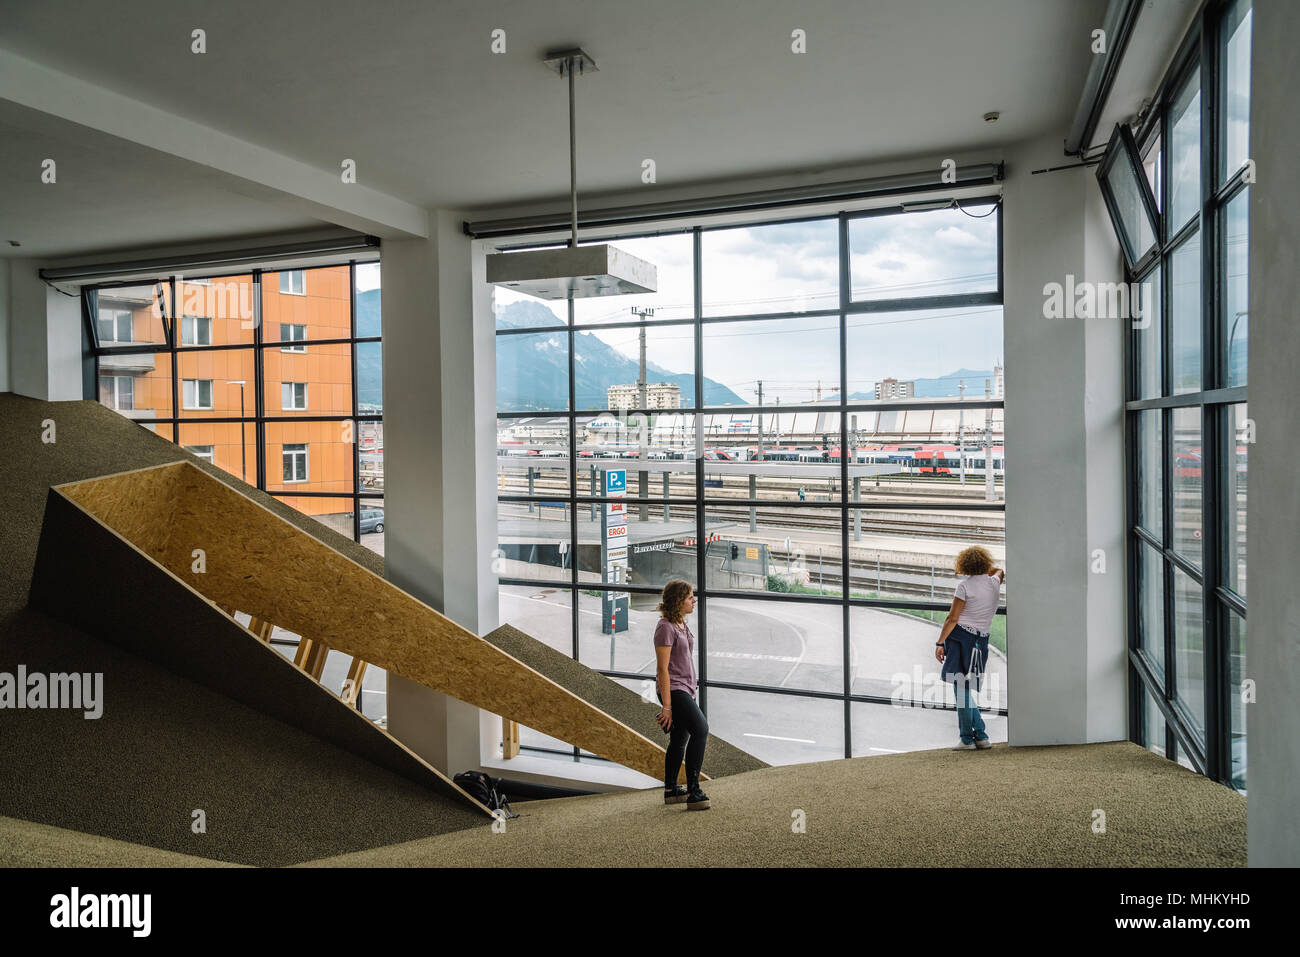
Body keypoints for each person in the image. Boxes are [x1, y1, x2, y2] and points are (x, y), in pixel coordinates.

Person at [934, 546, 1004, 751]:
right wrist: (988, 571)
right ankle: (980, 736)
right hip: (981, 642)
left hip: (960, 639)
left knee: (960, 687)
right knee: (965, 687)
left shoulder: (964, 587)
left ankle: (968, 738)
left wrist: (940, 643)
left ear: (964, 564)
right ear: (985, 563)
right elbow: (1000, 571)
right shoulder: (993, 583)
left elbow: (952, 618)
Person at [653, 579, 710, 810]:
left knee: (679, 740)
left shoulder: (680, 624)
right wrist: (667, 706)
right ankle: (694, 791)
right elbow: (662, 669)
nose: (694, 600)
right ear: (678, 601)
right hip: (674, 690)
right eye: (689, 597)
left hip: (685, 688)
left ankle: (671, 790)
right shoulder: (665, 627)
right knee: (701, 728)